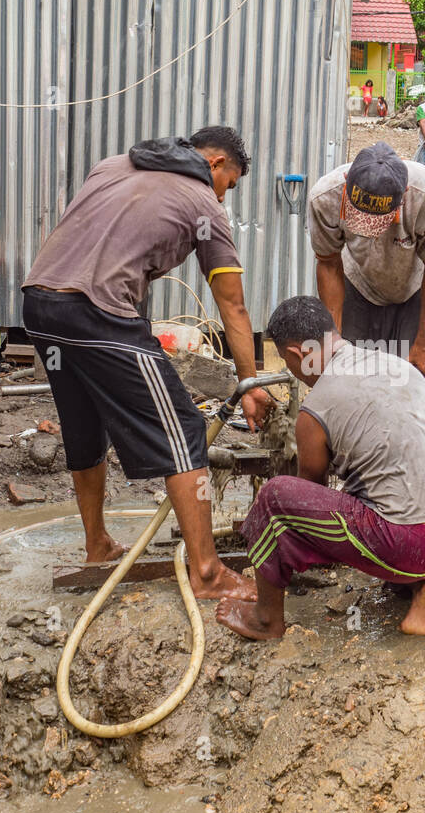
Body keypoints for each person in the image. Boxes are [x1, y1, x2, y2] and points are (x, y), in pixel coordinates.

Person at [21, 126, 274, 600]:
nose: (225, 196)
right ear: (216, 165)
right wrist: (250, 382)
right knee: (183, 428)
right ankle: (207, 574)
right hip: (97, 314)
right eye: (230, 184)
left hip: (38, 303)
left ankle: (97, 545)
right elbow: (233, 304)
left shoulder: (113, 165)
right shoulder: (204, 203)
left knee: (83, 424)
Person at [216, 296, 425, 640]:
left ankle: (265, 619)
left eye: (289, 364)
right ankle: (419, 590)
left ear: (296, 354)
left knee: (274, 499)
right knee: (381, 492)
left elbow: (309, 499)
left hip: (409, 546)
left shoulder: (316, 407)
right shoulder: (397, 366)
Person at [307, 141, 425, 385]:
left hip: (414, 287)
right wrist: (333, 340)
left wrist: (424, 341)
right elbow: (329, 264)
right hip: (356, 282)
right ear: (346, 181)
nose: (370, 234)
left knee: (413, 379)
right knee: (348, 378)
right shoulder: (325, 198)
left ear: (404, 194)